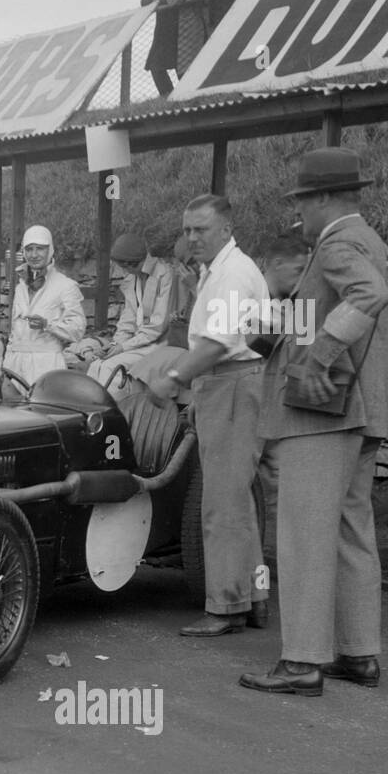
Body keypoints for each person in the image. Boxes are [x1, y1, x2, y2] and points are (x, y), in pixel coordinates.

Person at [240, 149, 388, 697]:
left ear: (326, 198)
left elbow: (366, 297)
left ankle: (303, 660)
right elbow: (350, 308)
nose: (299, 214)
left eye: (303, 201)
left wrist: (318, 353)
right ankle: (359, 653)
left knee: (304, 533)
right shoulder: (373, 242)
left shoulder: (336, 242)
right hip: (362, 410)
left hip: (323, 412)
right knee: (349, 530)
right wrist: (280, 332)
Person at [146, 194, 270, 637]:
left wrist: (173, 378)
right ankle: (251, 598)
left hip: (233, 381)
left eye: (201, 229)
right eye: (187, 230)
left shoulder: (233, 273)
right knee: (234, 499)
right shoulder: (217, 271)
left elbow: (218, 344)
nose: (192, 238)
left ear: (225, 229)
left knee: (222, 502)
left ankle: (227, 607)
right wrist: (200, 393)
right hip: (224, 383)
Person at [3, 225, 85, 388]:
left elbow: (78, 329)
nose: (34, 255)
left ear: (50, 250)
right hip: (14, 365)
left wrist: (47, 325)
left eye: (40, 249)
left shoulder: (66, 286)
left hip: (47, 365)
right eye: (29, 249)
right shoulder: (20, 286)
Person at [88, 233, 173, 389]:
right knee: (97, 364)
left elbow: (157, 327)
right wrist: (114, 344)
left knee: (110, 367)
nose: (122, 270)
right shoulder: (132, 280)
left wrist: (123, 347)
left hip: (160, 344)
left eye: (122, 266)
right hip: (138, 343)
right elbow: (127, 322)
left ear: (129, 263)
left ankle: (112, 412)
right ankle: (91, 412)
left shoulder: (165, 275)